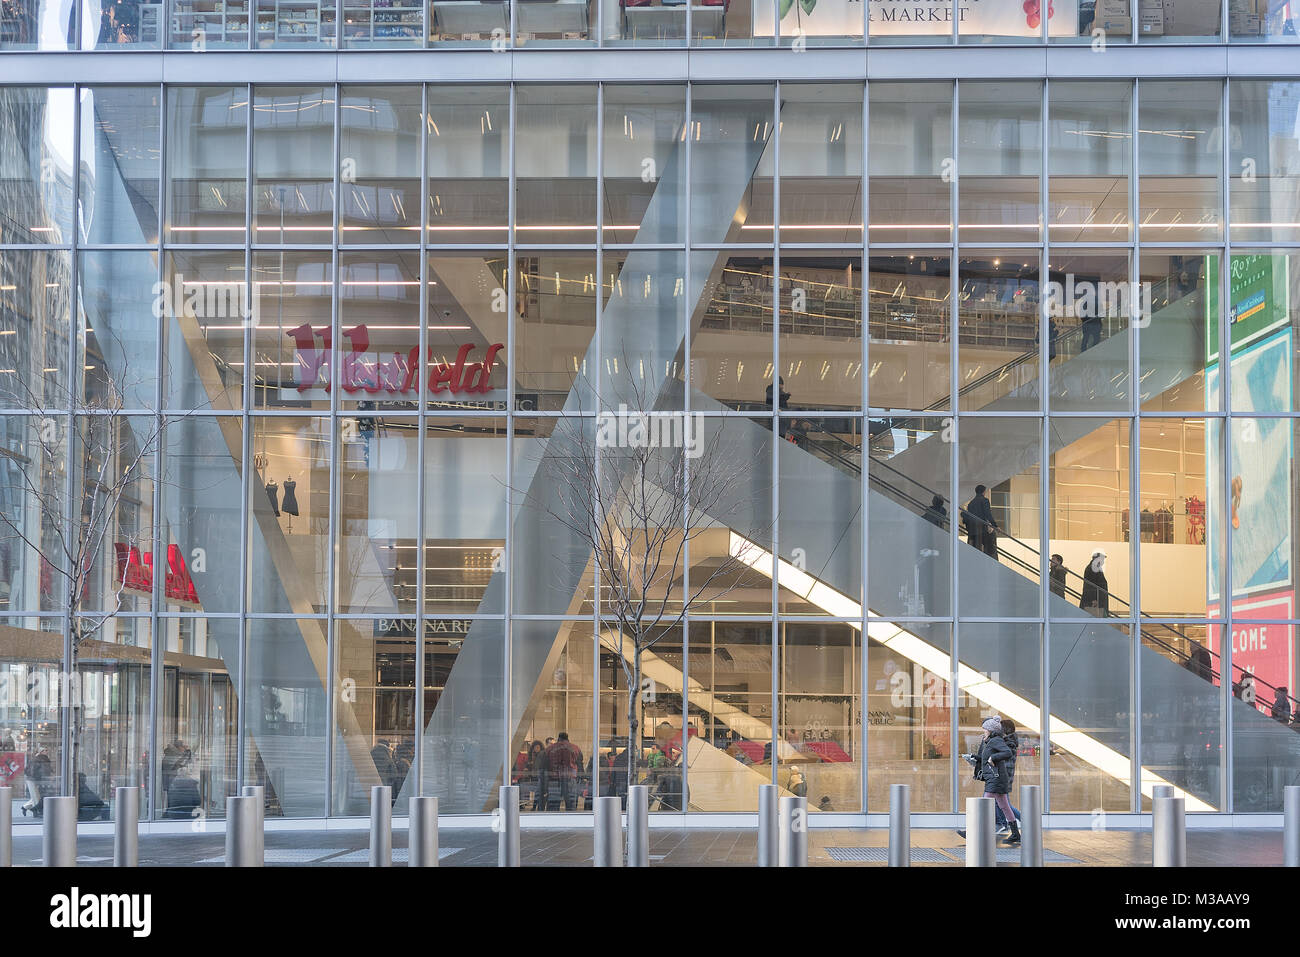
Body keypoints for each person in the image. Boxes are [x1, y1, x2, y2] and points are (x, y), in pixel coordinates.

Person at [957, 716, 1020, 846]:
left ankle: (973, 832)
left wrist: (993, 757)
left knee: (983, 805)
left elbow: (1007, 752)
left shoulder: (996, 740)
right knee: (1005, 806)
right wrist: (974, 757)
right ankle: (1015, 834)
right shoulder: (990, 741)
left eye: (985, 729)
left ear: (991, 730)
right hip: (995, 777)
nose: (983, 731)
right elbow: (986, 757)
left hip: (995, 778)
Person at [995, 719, 1022, 836]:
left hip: (1004, 777)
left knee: (1004, 804)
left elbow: (1004, 759)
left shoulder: (1008, 743)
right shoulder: (1008, 742)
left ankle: (1003, 825)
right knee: (1003, 803)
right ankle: (1005, 825)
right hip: (1003, 776)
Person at [543, 732, 583, 812]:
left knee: (553, 805)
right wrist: (580, 777)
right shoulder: (575, 748)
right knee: (571, 804)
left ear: (558, 738)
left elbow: (545, 765)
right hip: (570, 777)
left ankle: (553, 823)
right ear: (567, 738)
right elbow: (579, 763)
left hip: (555, 778)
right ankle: (571, 823)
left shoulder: (549, 749)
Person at [963, 485, 998, 559]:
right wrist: (995, 525)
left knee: (975, 548)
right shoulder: (985, 500)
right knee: (990, 546)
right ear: (983, 492)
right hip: (981, 528)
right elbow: (988, 514)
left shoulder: (971, 503)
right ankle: (988, 560)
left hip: (972, 530)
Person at [22, 747, 52, 817]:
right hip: (33, 780)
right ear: (40, 752)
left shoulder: (43, 758)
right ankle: (36, 812)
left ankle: (25, 807)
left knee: (37, 796)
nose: (46, 751)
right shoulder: (37, 759)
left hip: (36, 780)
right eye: (45, 750)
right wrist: (38, 779)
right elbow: (33, 771)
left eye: (47, 750)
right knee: (36, 797)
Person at [1080, 550, 1109, 616]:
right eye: (1102, 559)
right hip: (1095, 600)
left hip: (1095, 598)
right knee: (1094, 621)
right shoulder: (1094, 568)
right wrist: (1094, 599)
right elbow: (1091, 585)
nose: (1103, 562)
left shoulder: (1094, 567)